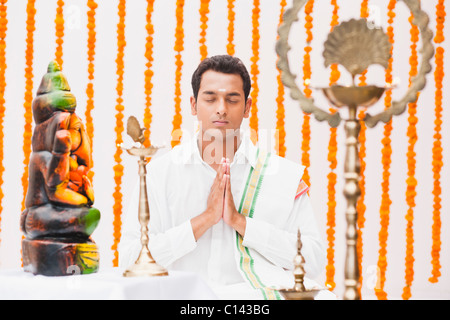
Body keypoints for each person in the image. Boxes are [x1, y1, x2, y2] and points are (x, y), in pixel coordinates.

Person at [119, 55, 330, 299]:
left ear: (247, 107)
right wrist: (204, 220)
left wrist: (240, 222)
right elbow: (129, 260)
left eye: (232, 99)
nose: (221, 108)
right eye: (210, 98)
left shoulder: (280, 175)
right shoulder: (159, 173)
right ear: (193, 105)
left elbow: (312, 261)